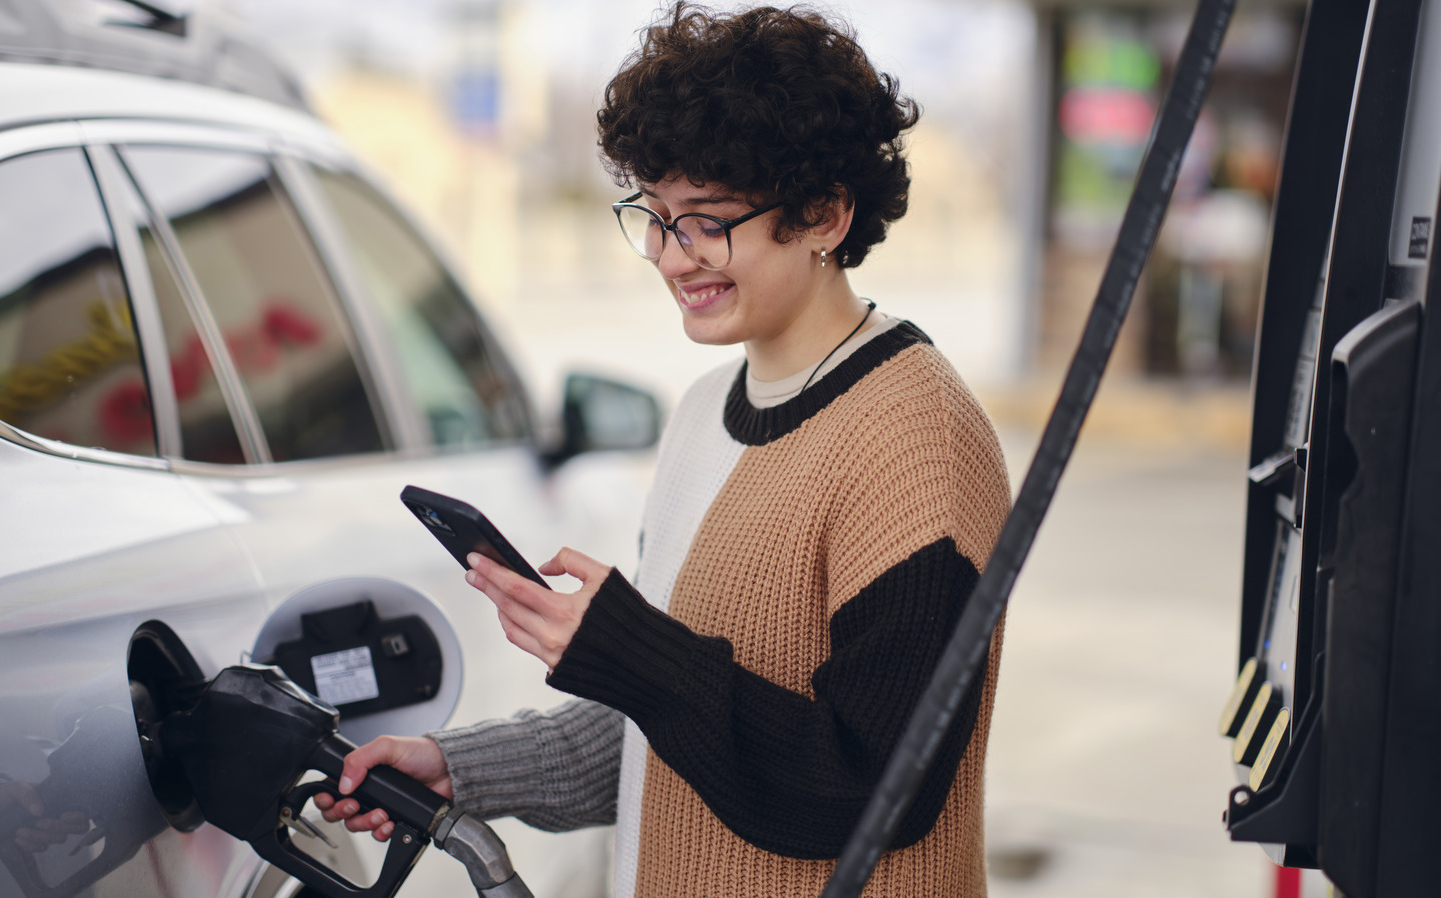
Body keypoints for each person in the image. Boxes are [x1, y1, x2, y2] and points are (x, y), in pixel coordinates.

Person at [315, 4, 1011, 895]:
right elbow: (678, 729)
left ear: (826, 214)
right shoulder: (702, 412)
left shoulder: (916, 437)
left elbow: (874, 785)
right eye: (654, 214)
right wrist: (464, 767)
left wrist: (635, 653)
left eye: (707, 220)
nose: (669, 256)